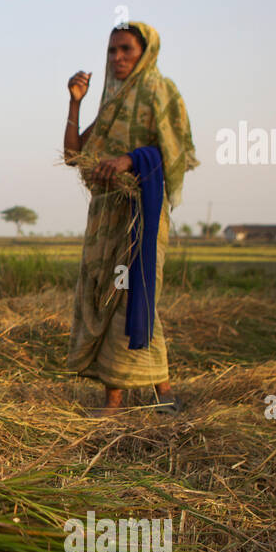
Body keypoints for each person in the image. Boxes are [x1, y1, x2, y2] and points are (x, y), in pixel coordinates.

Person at [63, 21, 198, 417]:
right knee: (108, 294)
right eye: (111, 51)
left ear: (146, 52)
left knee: (131, 293)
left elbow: (177, 151)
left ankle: (114, 402)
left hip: (141, 210)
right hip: (105, 214)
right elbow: (74, 155)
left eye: (126, 49)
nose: (118, 58)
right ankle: (166, 393)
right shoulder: (110, 102)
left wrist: (133, 159)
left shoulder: (160, 90)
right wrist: (75, 102)